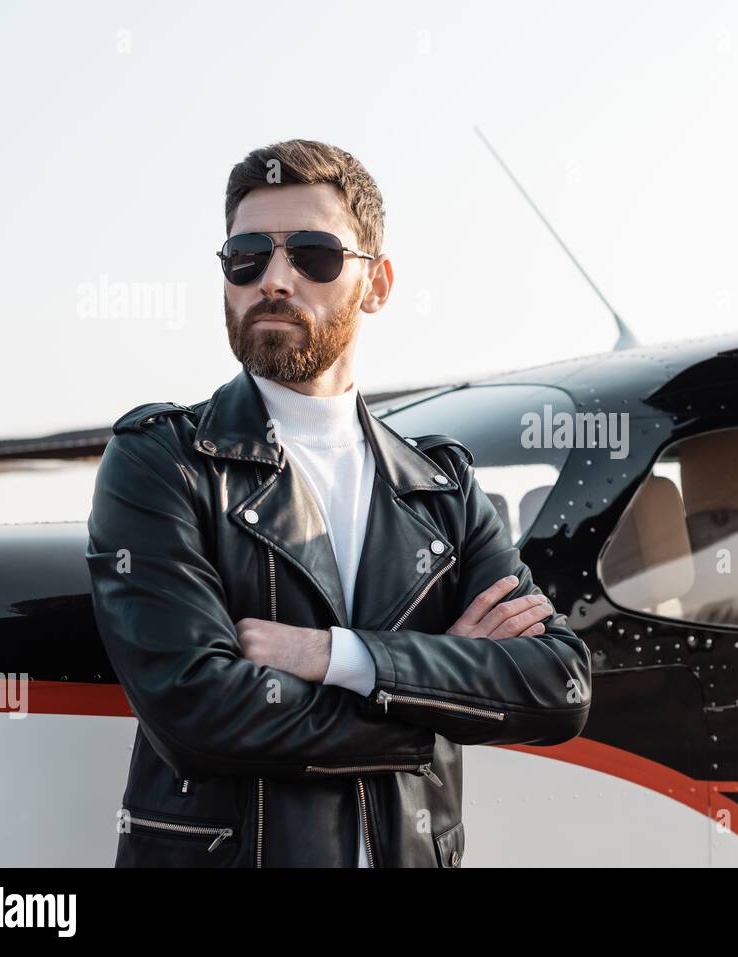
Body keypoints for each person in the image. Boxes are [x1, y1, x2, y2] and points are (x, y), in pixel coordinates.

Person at [85, 138, 592, 867]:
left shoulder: (442, 489)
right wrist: (439, 696)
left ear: (377, 283)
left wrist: (334, 655)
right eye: (247, 256)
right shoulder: (162, 459)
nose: (275, 279)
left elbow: (559, 684)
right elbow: (199, 711)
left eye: (314, 254)